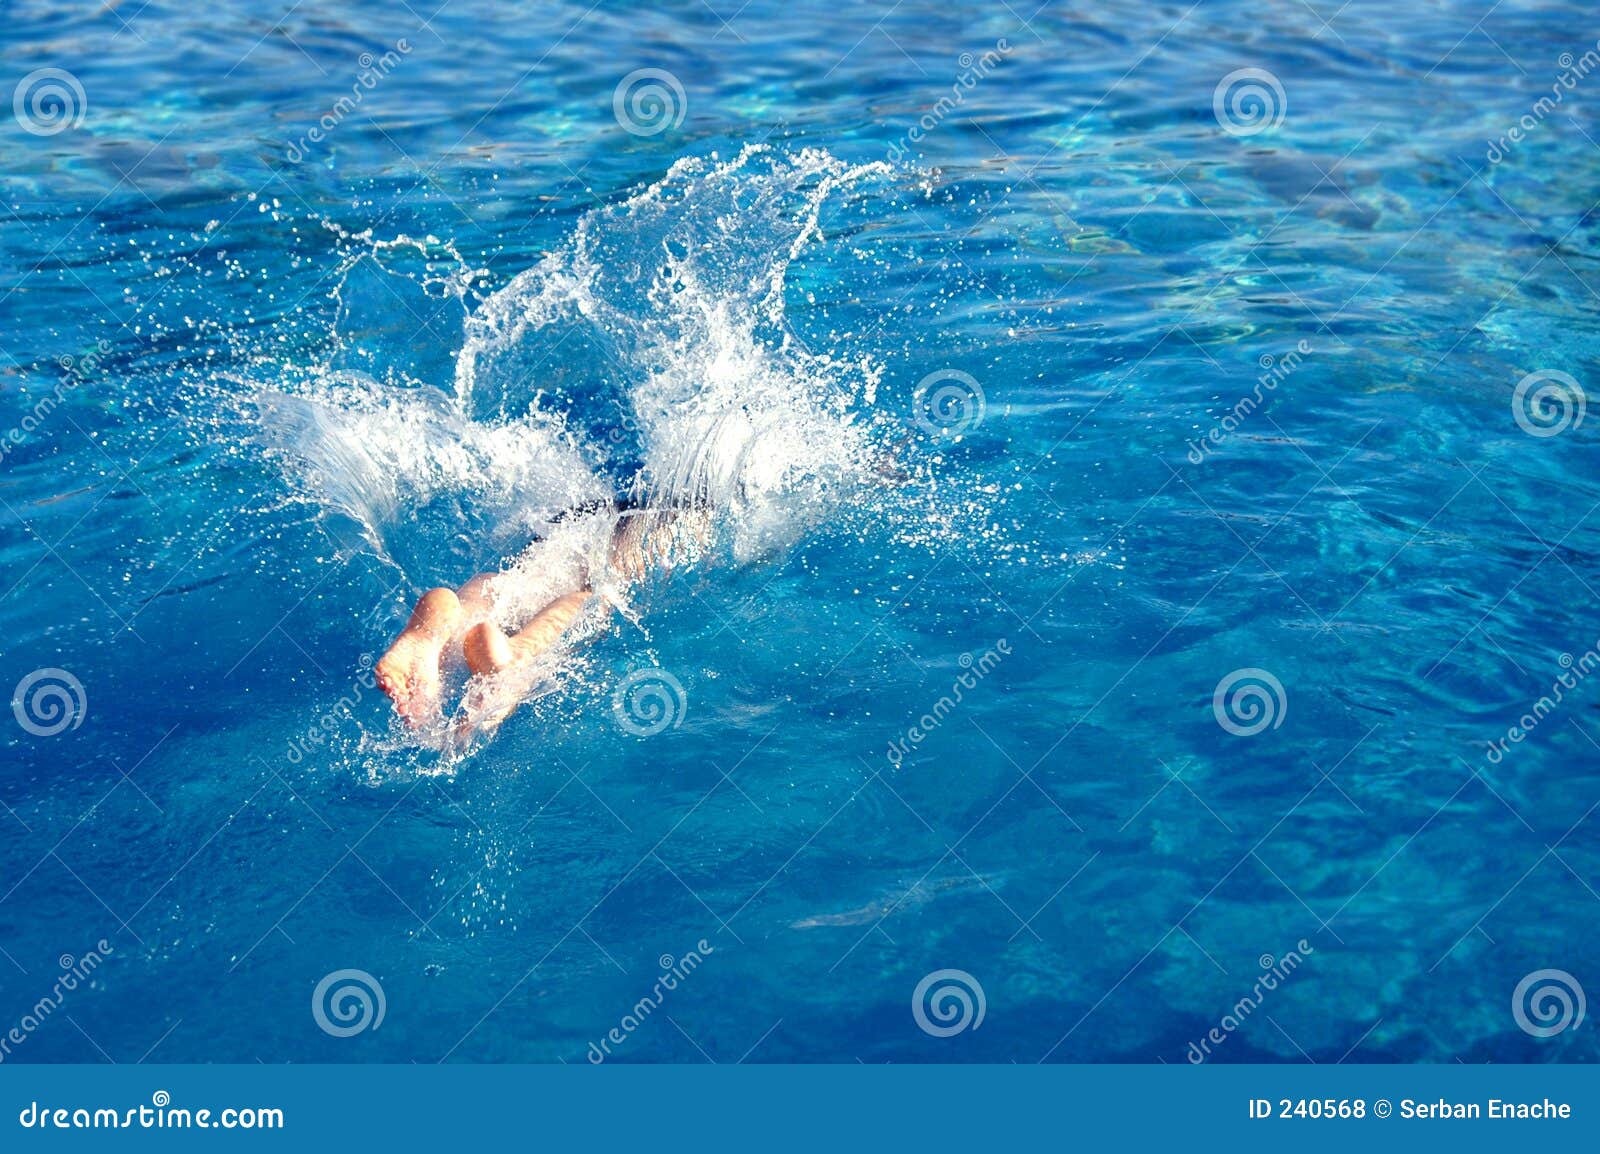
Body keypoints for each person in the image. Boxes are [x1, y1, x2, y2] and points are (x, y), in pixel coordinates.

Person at [375, 503, 706, 732]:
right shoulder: (697, 518)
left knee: (502, 585)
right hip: (635, 536)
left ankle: (442, 617)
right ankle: (519, 654)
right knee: (593, 599)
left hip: (572, 529)